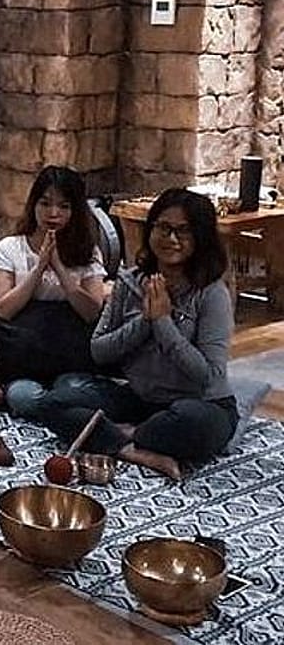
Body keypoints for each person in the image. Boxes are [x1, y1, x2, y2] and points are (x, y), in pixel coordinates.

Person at [40, 188, 236, 480]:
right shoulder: (130, 281)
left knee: (194, 424)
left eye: (184, 231)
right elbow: (99, 351)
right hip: (139, 398)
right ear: (151, 229)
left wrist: (163, 323)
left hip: (198, 404)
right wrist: (145, 321)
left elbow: (207, 375)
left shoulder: (210, 292)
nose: (171, 239)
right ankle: (131, 448)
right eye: (164, 228)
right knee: (54, 402)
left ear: (201, 238)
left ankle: (121, 435)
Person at [0, 166, 107, 419]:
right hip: (22, 360)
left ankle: (61, 409)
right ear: (33, 205)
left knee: (73, 392)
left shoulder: (88, 252)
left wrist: (61, 270)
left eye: (64, 206)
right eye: (45, 204)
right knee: (24, 397)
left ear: (75, 211)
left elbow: (92, 312)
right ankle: (63, 413)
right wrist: (39, 268)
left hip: (68, 357)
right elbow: (4, 310)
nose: (53, 213)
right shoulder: (9, 248)